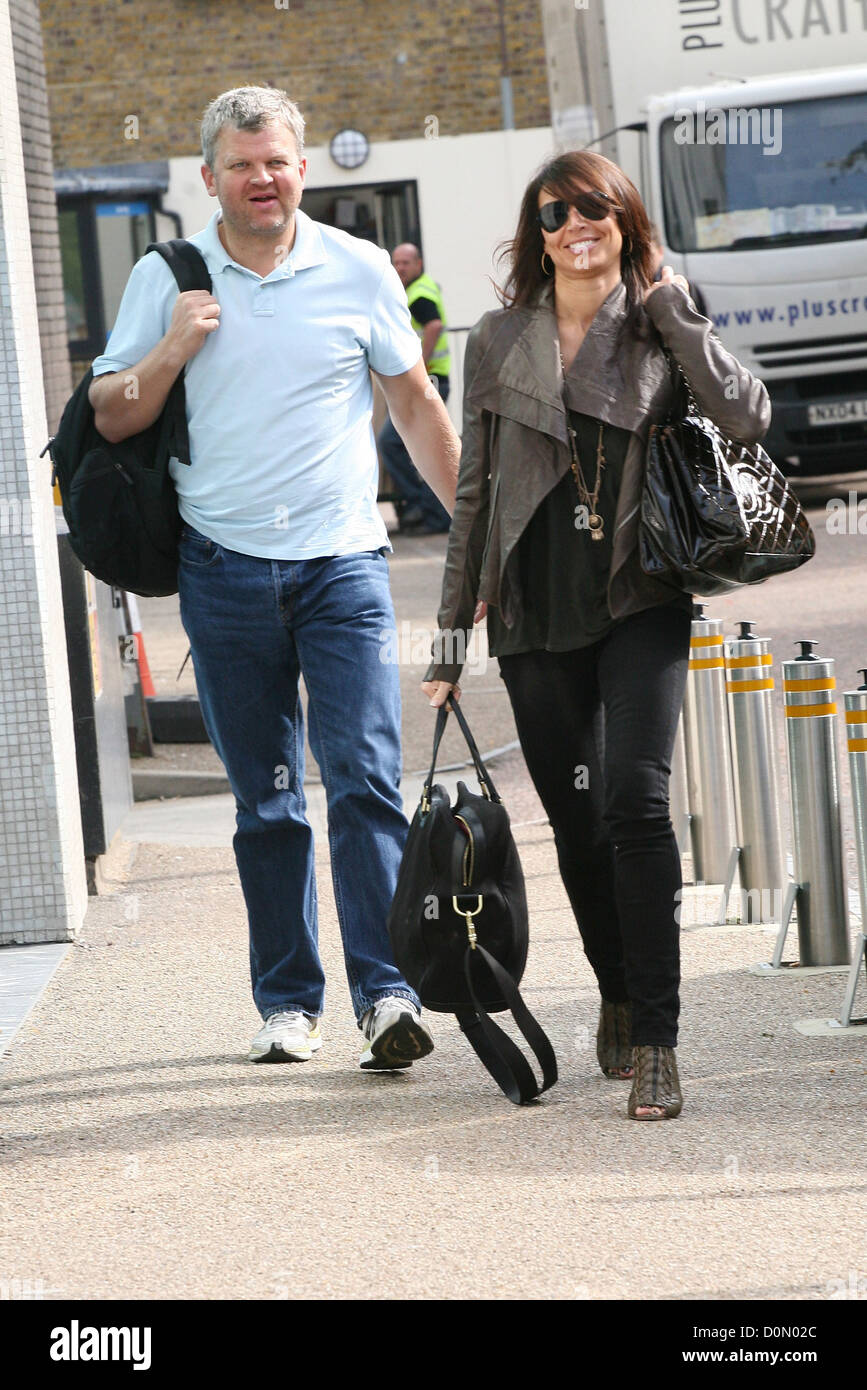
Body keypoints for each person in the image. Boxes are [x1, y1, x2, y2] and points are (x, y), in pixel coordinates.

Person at [89, 87, 460, 1071]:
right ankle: (291, 1001)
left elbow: (416, 404)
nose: (264, 177)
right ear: (208, 178)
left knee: (368, 779)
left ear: (303, 169)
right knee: (270, 797)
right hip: (222, 571)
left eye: (279, 160)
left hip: (343, 563)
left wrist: (477, 534)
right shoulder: (167, 276)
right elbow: (110, 413)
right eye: (243, 163)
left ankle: (388, 991)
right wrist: (175, 345)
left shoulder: (361, 269)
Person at [422, 151, 770, 1120]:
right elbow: (474, 492)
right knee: (577, 823)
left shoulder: (661, 317)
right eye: (555, 211)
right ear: (537, 234)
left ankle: (657, 1039)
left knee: (633, 803)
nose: (576, 222)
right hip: (533, 616)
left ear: (622, 219)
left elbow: (746, 415)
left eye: (594, 208)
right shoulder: (497, 339)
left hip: (639, 596)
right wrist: (447, 640)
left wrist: (674, 314)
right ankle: (613, 989)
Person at [378, 244, 452, 534]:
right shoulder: (417, 289)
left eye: (406, 262)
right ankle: (430, 511)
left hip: (428, 382)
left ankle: (425, 508)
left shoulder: (419, 293)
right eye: (396, 262)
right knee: (415, 445)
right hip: (432, 381)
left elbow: (434, 326)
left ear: (419, 263)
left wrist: (417, 366)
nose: (400, 268)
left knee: (392, 443)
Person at [650, 223, 709, 318]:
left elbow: (703, 328)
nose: (644, 261)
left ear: (661, 252)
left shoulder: (683, 287)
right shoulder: (628, 290)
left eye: (649, 255)